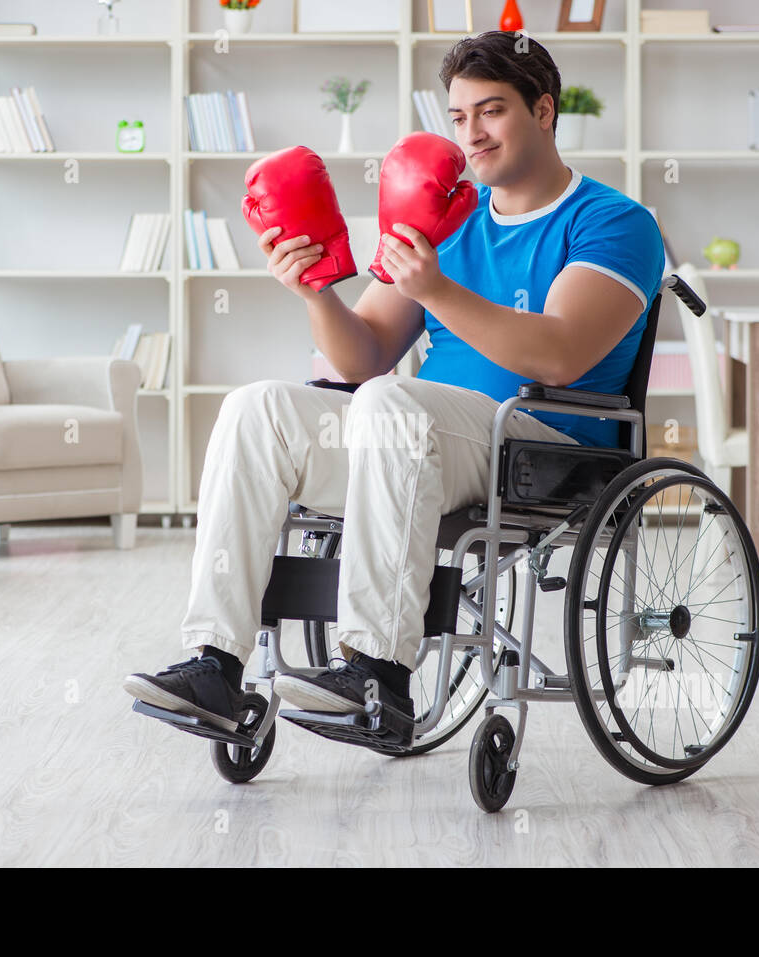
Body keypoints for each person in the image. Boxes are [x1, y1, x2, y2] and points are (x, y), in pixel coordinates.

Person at [123, 31, 665, 734]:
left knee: (390, 402)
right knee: (256, 407)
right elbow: (364, 356)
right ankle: (215, 666)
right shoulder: (450, 216)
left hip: (542, 446)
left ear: (544, 110)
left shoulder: (615, 221)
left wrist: (435, 289)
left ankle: (378, 674)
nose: (471, 133)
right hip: (411, 439)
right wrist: (315, 291)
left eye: (492, 111)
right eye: (459, 115)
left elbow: (561, 353)